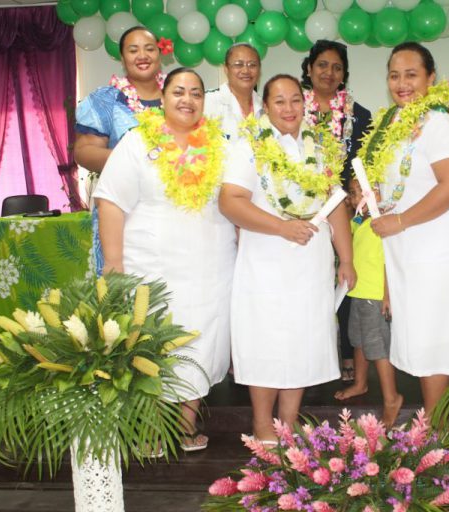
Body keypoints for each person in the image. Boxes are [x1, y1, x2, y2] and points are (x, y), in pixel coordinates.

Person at [93, 68, 237, 452]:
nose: (187, 99)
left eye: (196, 93)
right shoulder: (137, 142)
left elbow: (237, 201)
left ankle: (186, 426)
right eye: (179, 92)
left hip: (211, 267)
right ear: (163, 97)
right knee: (155, 344)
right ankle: (154, 429)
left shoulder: (221, 146)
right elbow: (110, 200)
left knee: (201, 341)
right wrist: (113, 261)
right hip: (153, 266)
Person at [219, 74, 356, 443]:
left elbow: (335, 203)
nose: (289, 108)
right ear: (265, 106)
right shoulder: (250, 145)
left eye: (296, 99)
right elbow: (230, 201)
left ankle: (288, 421)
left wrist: (346, 258)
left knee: (303, 338)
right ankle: (263, 423)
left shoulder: (320, 146)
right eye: (279, 101)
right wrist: (282, 228)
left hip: (311, 262)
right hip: (266, 259)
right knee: (265, 338)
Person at [361, 42, 449, 416]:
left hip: (436, 247)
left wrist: (400, 221)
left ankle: (434, 427)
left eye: (411, 75)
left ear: (431, 78)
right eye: (394, 75)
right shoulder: (392, 125)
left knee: (436, 337)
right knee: (419, 337)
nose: (402, 84)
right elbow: (396, 190)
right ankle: (433, 424)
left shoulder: (439, 124)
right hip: (403, 248)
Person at [301, 39, 372, 384]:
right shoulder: (293, 107)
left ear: (344, 74)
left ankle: (344, 352)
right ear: (309, 68)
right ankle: (309, 352)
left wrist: (352, 196)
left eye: (337, 67)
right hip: (302, 211)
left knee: (345, 279)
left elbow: (363, 164)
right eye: (322, 65)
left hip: (345, 210)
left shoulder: (360, 115)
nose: (329, 73)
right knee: (309, 283)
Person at [74, 26, 165, 275]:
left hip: (174, 208)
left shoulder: (179, 94)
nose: (142, 56)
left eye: (149, 49)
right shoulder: (106, 101)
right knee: (128, 287)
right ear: (123, 58)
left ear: (160, 54)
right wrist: (138, 160)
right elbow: (84, 152)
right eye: (133, 50)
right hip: (123, 212)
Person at [334, 179, 403, 428]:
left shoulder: (382, 223)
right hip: (358, 292)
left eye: (360, 193)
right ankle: (360, 383)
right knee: (359, 341)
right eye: (352, 194)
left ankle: (392, 398)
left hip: (375, 295)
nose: (355, 199)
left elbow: (389, 261)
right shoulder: (358, 222)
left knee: (377, 347)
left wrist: (387, 294)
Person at [204, 42, 264, 142]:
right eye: (238, 64)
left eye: (252, 65)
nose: (246, 70)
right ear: (226, 69)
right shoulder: (207, 101)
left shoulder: (265, 107)